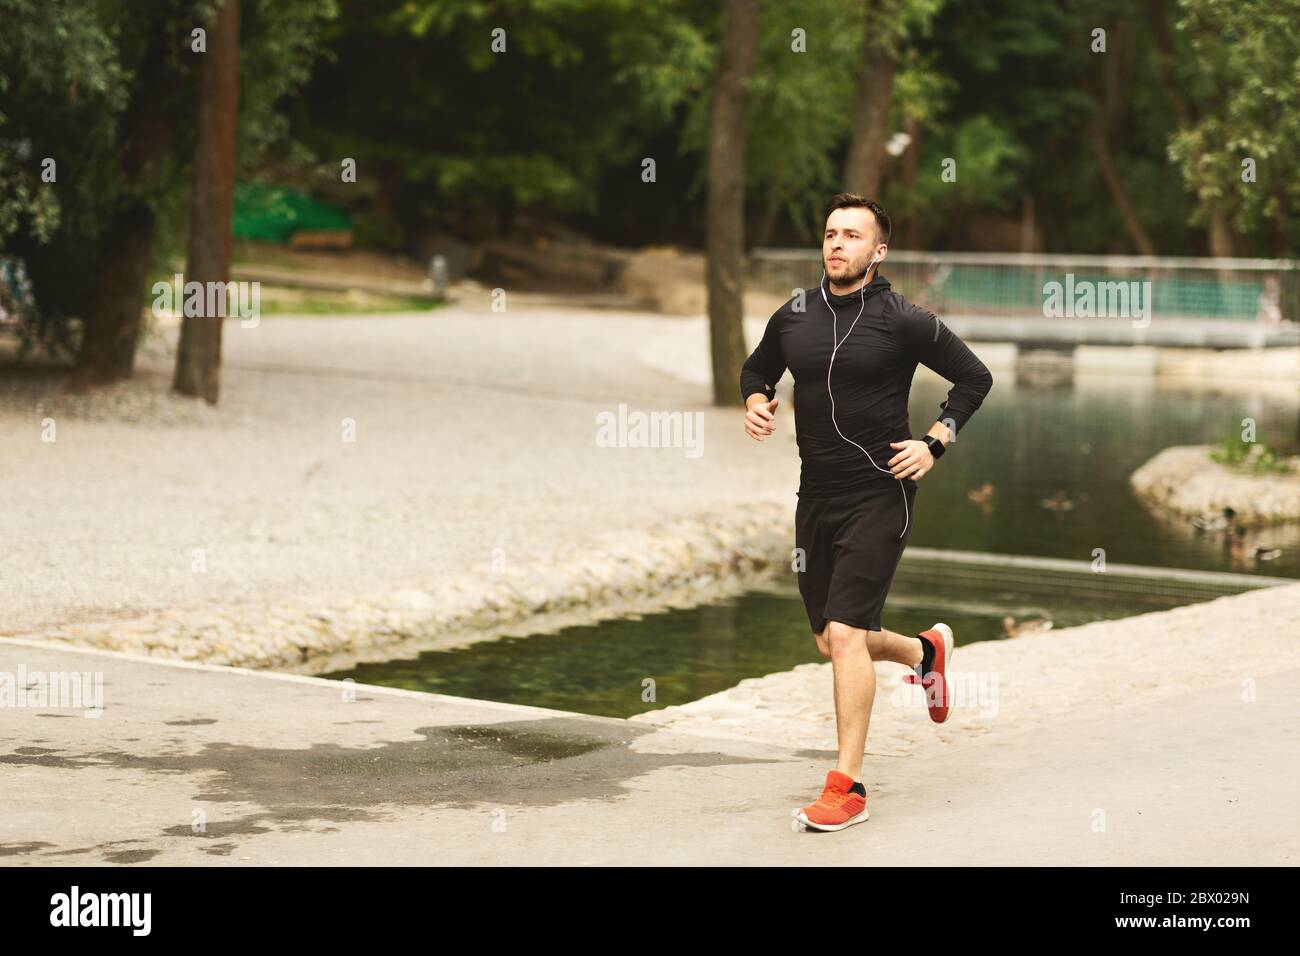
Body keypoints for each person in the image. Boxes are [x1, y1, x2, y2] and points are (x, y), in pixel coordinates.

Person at [740, 193, 993, 832]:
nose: (836, 243)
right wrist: (756, 398)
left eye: (852, 235)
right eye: (830, 232)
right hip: (815, 496)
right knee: (831, 638)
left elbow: (973, 377)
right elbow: (759, 366)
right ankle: (923, 652)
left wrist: (935, 441)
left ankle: (847, 787)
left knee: (848, 635)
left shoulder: (902, 319)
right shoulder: (794, 313)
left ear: (878, 251)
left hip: (881, 493)